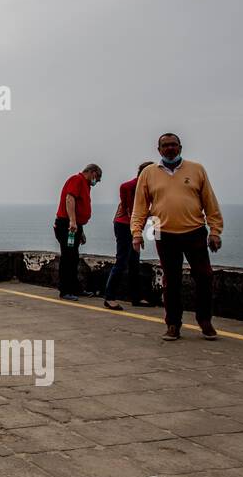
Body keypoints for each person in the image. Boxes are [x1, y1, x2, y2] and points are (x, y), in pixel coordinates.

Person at [130, 133, 224, 342]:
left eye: (173, 145)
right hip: (163, 233)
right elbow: (140, 207)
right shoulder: (149, 173)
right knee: (170, 281)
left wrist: (215, 231)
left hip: (195, 231)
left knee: (205, 276)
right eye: (166, 145)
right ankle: (173, 324)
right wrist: (137, 234)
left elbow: (210, 202)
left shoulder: (197, 169)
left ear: (180, 147)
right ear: (159, 149)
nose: (170, 148)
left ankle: (205, 321)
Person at [102, 161, 154, 311]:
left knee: (134, 263)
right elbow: (132, 209)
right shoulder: (131, 186)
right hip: (124, 225)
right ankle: (109, 297)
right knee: (122, 260)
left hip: (134, 226)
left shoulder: (149, 188)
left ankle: (136, 297)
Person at [53, 164, 101, 301]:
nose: (96, 182)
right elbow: (70, 199)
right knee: (68, 257)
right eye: (97, 178)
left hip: (74, 226)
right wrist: (72, 222)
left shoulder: (86, 185)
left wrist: (80, 229)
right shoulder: (77, 180)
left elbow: (79, 208)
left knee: (73, 258)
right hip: (66, 224)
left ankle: (74, 288)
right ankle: (65, 290)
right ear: (92, 172)